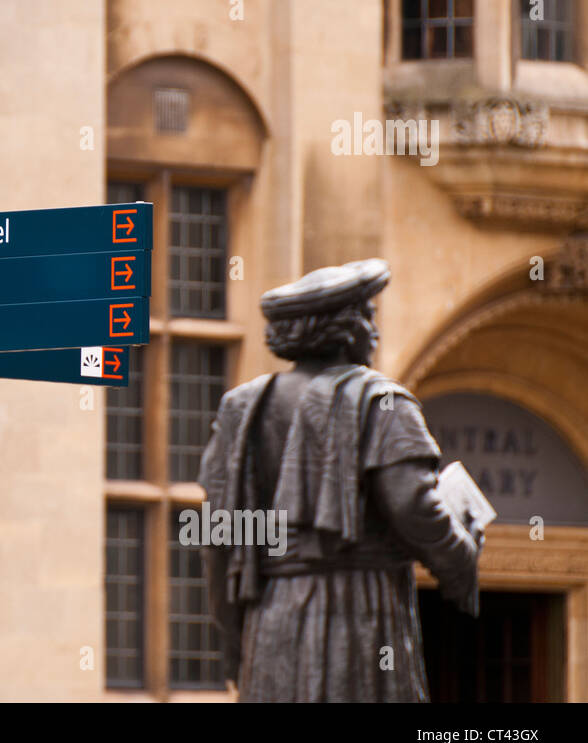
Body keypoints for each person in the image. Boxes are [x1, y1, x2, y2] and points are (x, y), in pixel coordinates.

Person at [197, 259, 483, 702]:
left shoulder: (241, 409)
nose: (376, 330)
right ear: (345, 328)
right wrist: (460, 555)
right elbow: (411, 504)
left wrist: (234, 638)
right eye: (368, 316)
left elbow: (217, 540)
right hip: (359, 612)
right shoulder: (382, 400)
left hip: (270, 621)